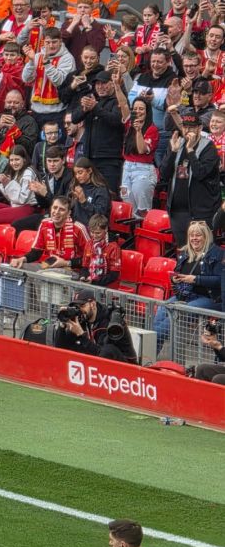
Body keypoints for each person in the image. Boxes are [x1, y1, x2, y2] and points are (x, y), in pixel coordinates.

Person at [153, 221, 222, 353]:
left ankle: (150, 341)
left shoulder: (217, 254)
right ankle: (150, 354)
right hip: (186, 295)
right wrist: (175, 278)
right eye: (191, 235)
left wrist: (196, 279)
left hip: (210, 298)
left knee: (177, 313)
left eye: (198, 235)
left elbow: (220, 280)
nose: (194, 238)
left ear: (206, 237)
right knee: (162, 309)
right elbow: (178, 272)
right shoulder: (185, 253)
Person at [159, 111, 220, 246]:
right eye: (185, 127)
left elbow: (200, 174)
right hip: (178, 211)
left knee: (203, 252)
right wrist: (173, 152)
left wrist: (191, 151)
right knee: (183, 251)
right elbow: (164, 174)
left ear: (199, 128)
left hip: (201, 212)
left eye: (192, 127)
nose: (188, 131)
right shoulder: (177, 143)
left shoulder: (208, 147)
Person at [70, 69, 124, 192]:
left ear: (112, 83)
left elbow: (117, 120)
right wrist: (84, 109)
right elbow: (74, 118)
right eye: (97, 84)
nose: (100, 87)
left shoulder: (118, 101)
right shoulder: (92, 100)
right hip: (89, 158)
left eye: (104, 83)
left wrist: (95, 108)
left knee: (109, 193)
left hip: (109, 159)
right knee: (89, 193)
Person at [54, 289, 136, 363]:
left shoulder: (109, 320)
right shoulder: (82, 319)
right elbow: (60, 348)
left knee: (108, 349)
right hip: (100, 365)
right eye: (76, 307)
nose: (80, 310)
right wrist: (63, 324)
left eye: (82, 306)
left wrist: (81, 334)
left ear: (93, 304)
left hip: (126, 365)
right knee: (76, 345)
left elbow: (101, 354)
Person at [10, 196, 89, 270]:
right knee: (18, 267)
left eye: (62, 209)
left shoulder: (79, 228)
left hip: (71, 269)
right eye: (55, 208)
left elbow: (90, 258)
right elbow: (36, 253)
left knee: (43, 273)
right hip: (48, 265)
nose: (56, 212)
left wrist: (66, 263)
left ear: (68, 213)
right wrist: (21, 259)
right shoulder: (44, 224)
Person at [114, 89, 158, 218]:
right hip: (127, 167)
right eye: (135, 109)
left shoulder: (152, 129)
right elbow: (123, 103)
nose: (138, 111)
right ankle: (133, 231)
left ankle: (145, 230)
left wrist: (138, 131)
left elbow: (141, 150)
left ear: (147, 111)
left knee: (142, 211)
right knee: (128, 208)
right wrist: (117, 85)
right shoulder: (130, 123)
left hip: (143, 170)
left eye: (141, 109)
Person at [21, 26, 75, 131]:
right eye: (48, 42)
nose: (51, 45)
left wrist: (47, 64)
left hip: (57, 113)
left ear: (60, 41)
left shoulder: (67, 58)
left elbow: (59, 81)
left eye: (54, 42)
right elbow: (26, 79)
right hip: (36, 111)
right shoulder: (37, 56)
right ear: (43, 42)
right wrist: (31, 61)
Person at [0, 145, 37, 228]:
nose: (14, 163)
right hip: (15, 205)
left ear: (24, 159)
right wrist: (4, 184)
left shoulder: (28, 173)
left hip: (27, 208)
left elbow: (22, 199)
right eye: (11, 160)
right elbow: (10, 198)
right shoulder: (15, 171)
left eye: (17, 159)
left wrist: (8, 183)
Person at [0, 89, 38, 159]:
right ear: (5, 103)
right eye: (9, 102)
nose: (12, 105)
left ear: (22, 104)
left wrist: (14, 131)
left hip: (15, 160)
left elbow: (30, 147)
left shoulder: (29, 121)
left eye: (16, 103)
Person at [77, 214, 121, 287]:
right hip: (91, 283)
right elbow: (85, 266)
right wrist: (83, 276)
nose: (94, 235)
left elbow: (114, 275)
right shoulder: (89, 244)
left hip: (108, 287)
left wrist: (94, 282)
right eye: (92, 232)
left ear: (106, 229)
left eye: (98, 233)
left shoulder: (114, 247)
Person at [70, 157, 111, 228]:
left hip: (93, 229)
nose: (77, 176)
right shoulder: (76, 186)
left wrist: (84, 202)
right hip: (76, 226)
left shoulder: (101, 190)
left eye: (80, 172)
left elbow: (101, 215)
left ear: (89, 170)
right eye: (75, 174)